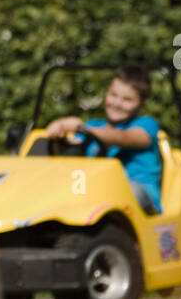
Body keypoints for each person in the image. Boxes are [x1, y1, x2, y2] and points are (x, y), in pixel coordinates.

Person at [44, 65, 163, 215]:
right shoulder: (93, 125)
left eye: (127, 99)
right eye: (113, 95)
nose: (117, 103)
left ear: (142, 104)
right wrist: (59, 129)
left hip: (139, 196)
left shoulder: (146, 124)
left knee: (117, 193)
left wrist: (82, 128)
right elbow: (70, 157)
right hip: (96, 191)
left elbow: (125, 138)